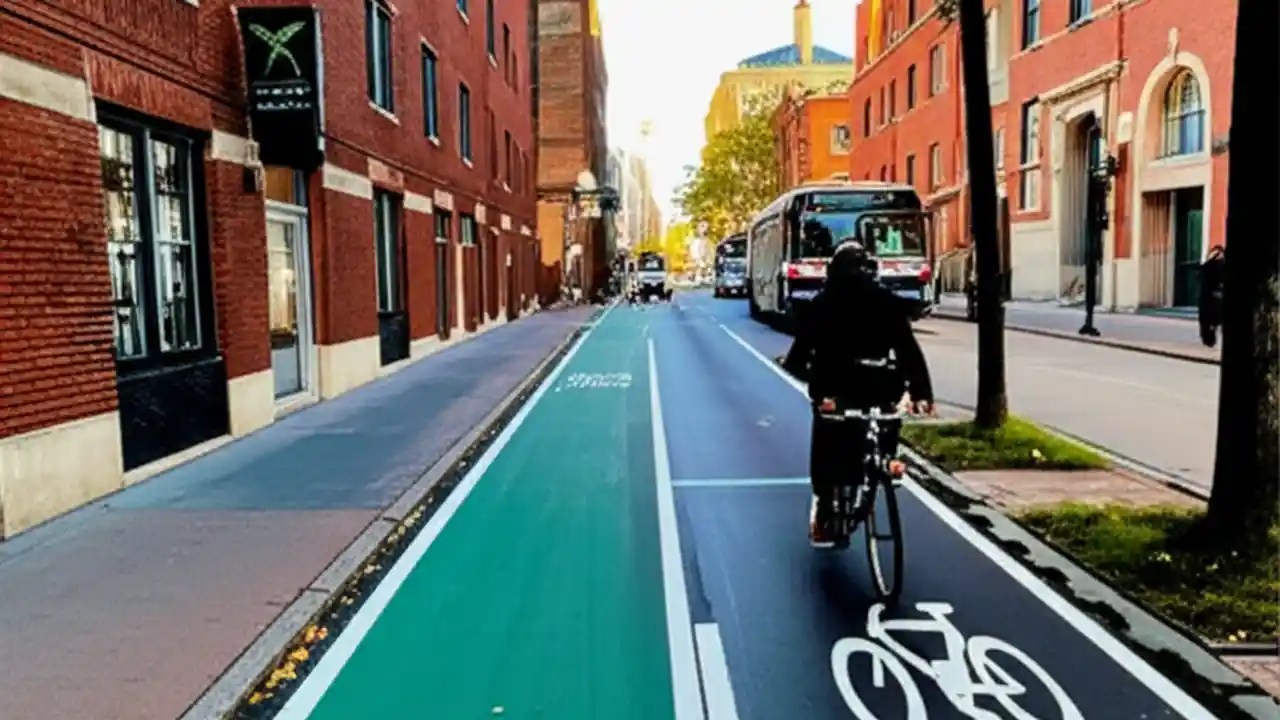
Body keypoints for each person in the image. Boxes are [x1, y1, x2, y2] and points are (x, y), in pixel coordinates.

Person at [780, 239, 935, 547]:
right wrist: (921, 393)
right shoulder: (887, 304)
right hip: (880, 388)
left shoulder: (820, 306)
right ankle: (888, 459)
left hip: (836, 390)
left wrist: (815, 385)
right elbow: (908, 351)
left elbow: (797, 361)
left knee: (826, 440)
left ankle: (825, 508)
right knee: (887, 417)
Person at [1198, 245, 1225, 347]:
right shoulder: (1212, 266)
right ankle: (1209, 338)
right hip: (1211, 298)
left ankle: (1209, 339)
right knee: (1210, 320)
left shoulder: (1214, 265)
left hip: (1212, 299)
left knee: (1210, 320)